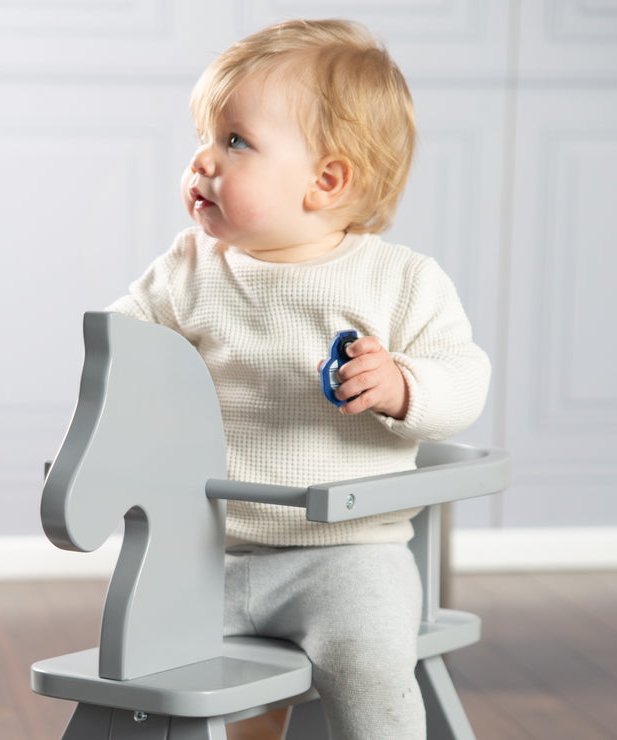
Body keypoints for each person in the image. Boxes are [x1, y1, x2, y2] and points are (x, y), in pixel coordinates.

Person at [109, 18, 490, 739]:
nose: (202, 161)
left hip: (347, 558)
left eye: (234, 141)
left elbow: (465, 380)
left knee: (371, 669)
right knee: (161, 674)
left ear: (326, 180)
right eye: (203, 138)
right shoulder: (188, 270)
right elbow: (120, 348)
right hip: (206, 552)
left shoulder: (397, 281)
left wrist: (403, 385)